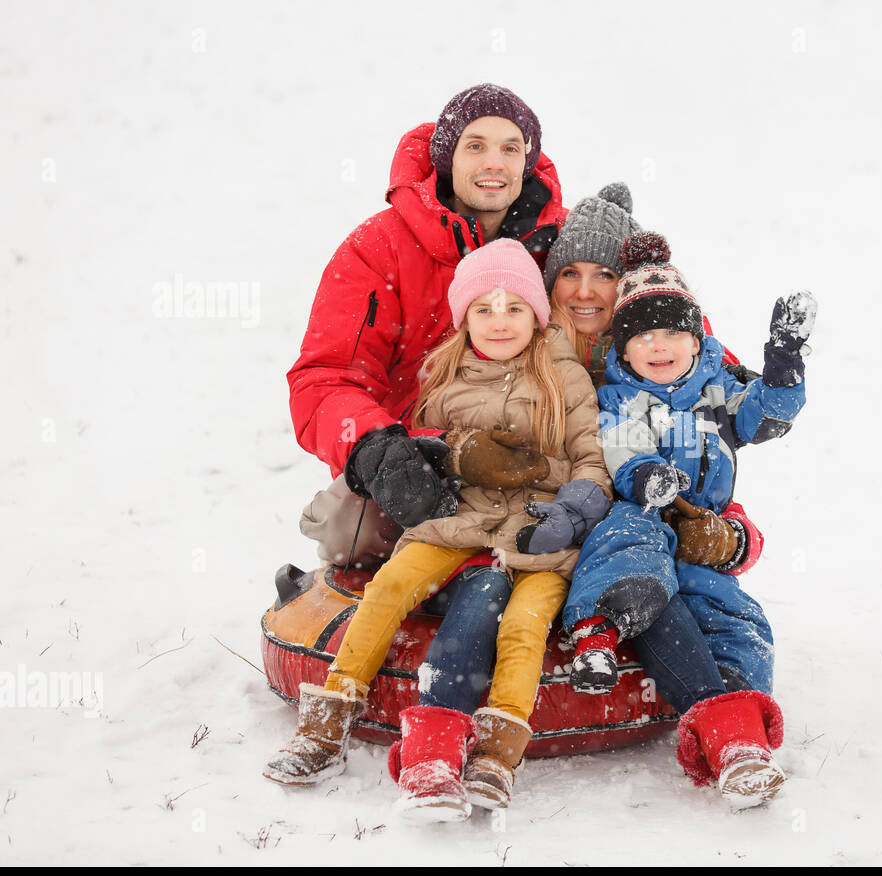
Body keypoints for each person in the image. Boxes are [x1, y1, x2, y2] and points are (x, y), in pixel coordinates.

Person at [265, 240, 611, 823]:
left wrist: (569, 514)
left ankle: (496, 756)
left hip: (539, 533)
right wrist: (457, 454)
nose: (499, 322)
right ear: (464, 316)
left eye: (514, 308)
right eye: (484, 309)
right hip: (461, 521)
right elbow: (424, 451)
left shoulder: (566, 379)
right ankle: (329, 722)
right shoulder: (443, 373)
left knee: (525, 627)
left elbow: (592, 461)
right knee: (391, 585)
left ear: (536, 313)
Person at [561, 232, 816, 805]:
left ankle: (739, 731)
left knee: (736, 616)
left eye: (674, 332)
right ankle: (598, 628)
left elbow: (766, 418)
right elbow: (621, 446)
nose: (660, 345)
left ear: (696, 339)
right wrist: (648, 475)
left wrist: (783, 366)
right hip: (645, 511)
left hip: (702, 527)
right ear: (621, 350)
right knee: (629, 541)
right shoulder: (619, 398)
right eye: (643, 335)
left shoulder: (717, 390)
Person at [289, 82, 567, 570]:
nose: (493, 163)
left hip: (536, 450)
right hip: (423, 460)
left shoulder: (562, 242)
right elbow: (326, 379)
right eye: (475, 146)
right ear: (446, 158)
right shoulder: (378, 247)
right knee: (346, 531)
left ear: (527, 161)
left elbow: (658, 327)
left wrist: (725, 386)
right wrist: (379, 448)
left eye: (510, 148)